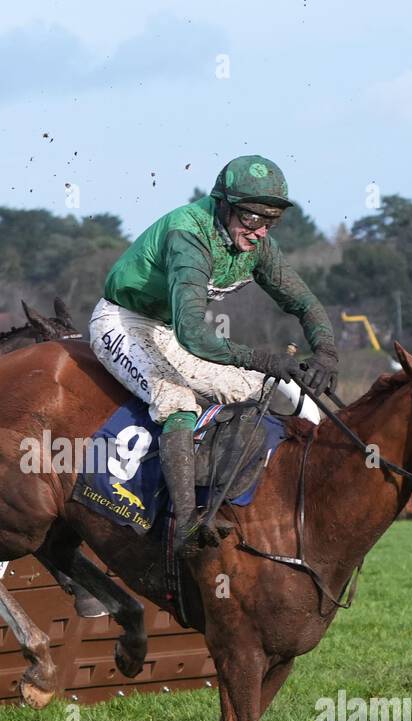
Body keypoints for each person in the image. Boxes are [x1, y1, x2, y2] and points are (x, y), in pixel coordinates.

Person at [89, 154, 339, 557]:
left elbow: (304, 303)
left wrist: (326, 353)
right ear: (223, 205)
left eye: (270, 221)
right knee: (177, 402)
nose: (259, 232)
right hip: (124, 321)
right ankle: (185, 525)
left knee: (282, 392)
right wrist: (268, 359)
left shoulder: (258, 245)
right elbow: (195, 336)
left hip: (170, 332)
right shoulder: (188, 235)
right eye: (252, 218)